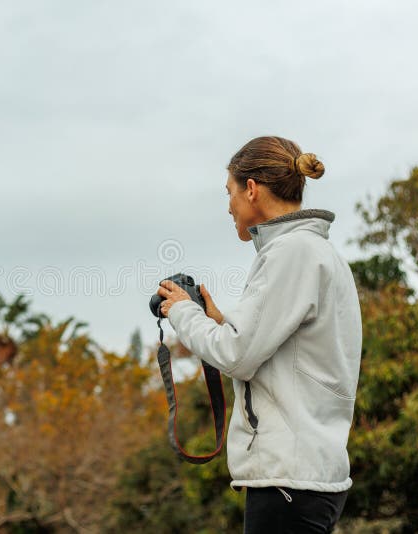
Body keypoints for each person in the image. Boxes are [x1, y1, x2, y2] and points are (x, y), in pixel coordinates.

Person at [156, 135, 363, 533]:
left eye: (229, 193)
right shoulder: (314, 252)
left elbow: (236, 355)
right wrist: (217, 320)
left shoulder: (292, 252)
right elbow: (274, 349)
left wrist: (181, 309)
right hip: (306, 477)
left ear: (251, 190)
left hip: (289, 480)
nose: (228, 206)